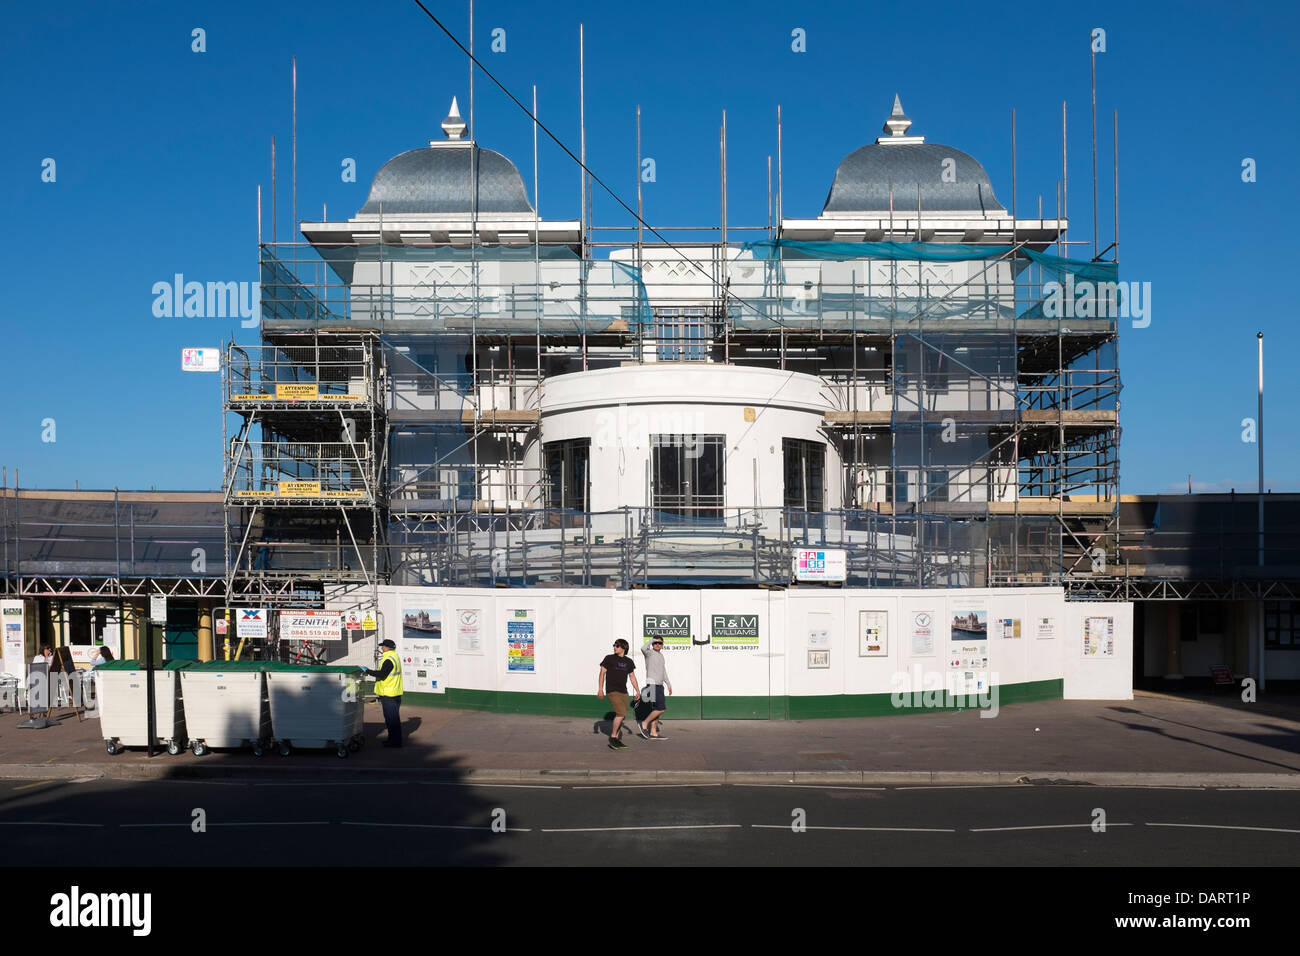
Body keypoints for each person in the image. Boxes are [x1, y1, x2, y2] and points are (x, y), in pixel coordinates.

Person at [597, 638, 640, 751]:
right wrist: (600, 689)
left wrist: (637, 690)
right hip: (612, 690)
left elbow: (632, 677)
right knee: (620, 714)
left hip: (624, 692)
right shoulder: (609, 658)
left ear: (623, 648)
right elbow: (602, 674)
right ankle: (613, 737)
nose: (614, 647)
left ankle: (616, 738)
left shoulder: (629, 662)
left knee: (621, 715)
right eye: (614, 645)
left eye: (617, 646)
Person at [360, 638, 403, 748]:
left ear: (386, 648)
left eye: (382, 646)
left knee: (391, 720)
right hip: (395, 692)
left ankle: (395, 742)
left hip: (389, 694)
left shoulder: (388, 659)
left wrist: (367, 671)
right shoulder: (395, 656)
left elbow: (382, 674)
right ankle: (393, 740)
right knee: (393, 719)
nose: (381, 648)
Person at [638, 636, 672, 739]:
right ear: (652, 644)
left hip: (660, 685)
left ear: (662, 645)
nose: (657, 645)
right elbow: (643, 648)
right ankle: (644, 723)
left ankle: (653, 732)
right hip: (652, 684)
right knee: (661, 708)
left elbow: (663, 671)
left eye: (660, 643)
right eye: (655, 643)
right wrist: (653, 640)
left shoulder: (661, 656)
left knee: (657, 708)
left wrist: (668, 684)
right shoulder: (649, 653)